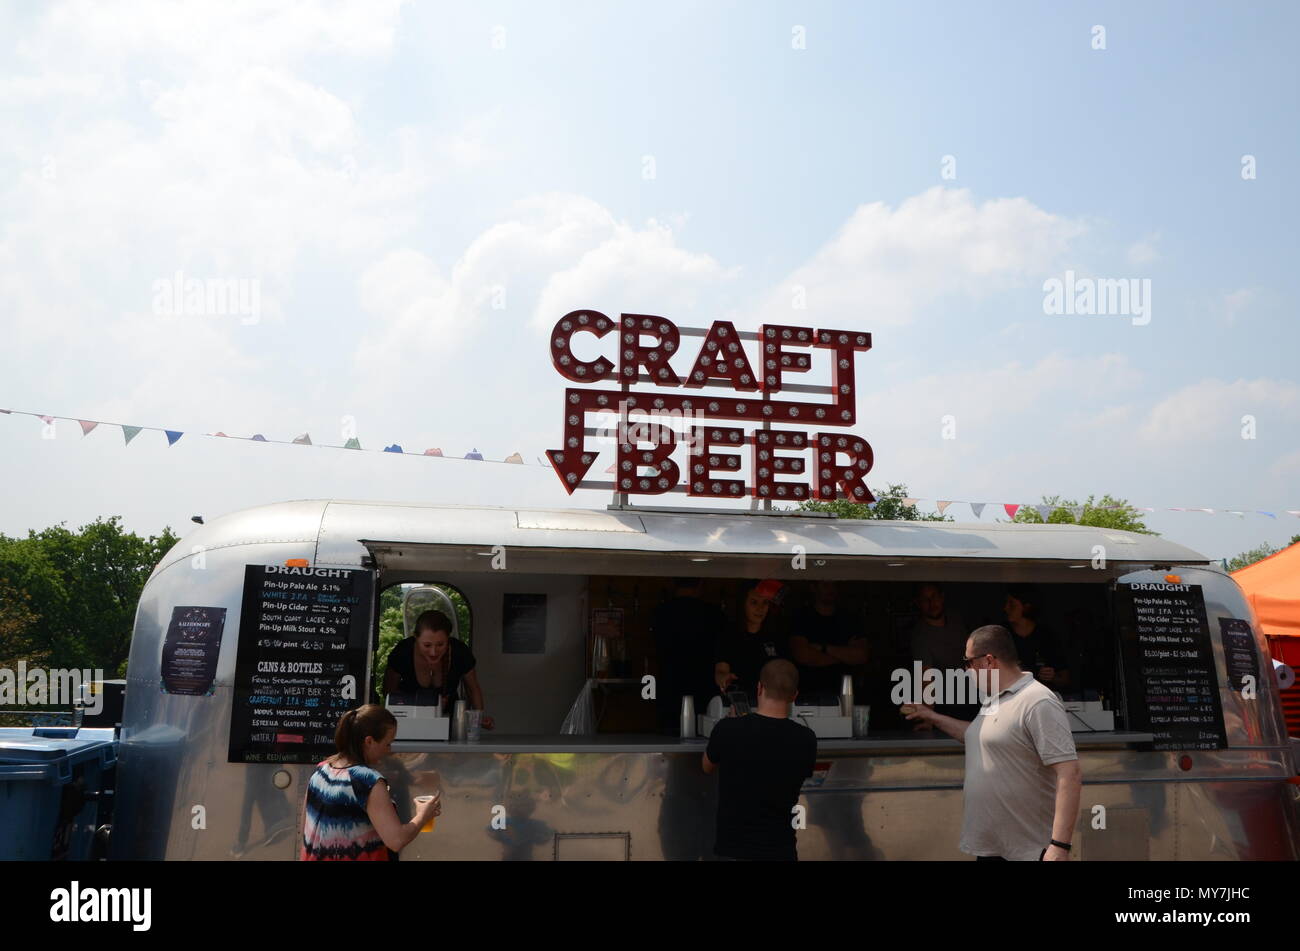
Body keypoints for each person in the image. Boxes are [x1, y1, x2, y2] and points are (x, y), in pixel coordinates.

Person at [904, 625, 1082, 861]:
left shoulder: (1037, 701)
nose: (966, 670)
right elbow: (977, 735)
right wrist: (931, 716)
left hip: (1027, 852)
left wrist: (1059, 847)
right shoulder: (994, 699)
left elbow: (1069, 773)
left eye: (967, 662)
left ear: (988, 661)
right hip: (992, 850)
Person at [702, 659, 818, 860]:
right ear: (794, 696)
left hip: (733, 852)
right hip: (781, 851)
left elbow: (707, 766)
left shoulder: (727, 729)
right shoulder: (806, 739)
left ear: (759, 688)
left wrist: (732, 725)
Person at [301, 704, 441, 861]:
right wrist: (423, 815)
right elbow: (396, 840)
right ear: (369, 741)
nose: (389, 750)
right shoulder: (368, 781)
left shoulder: (321, 770)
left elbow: (305, 828)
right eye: (387, 743)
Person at [384, 610, 494, 729]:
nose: (433, 652)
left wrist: (479, 716)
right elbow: (389, 693)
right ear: (415, 637)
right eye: (427, 645)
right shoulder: (403, 652)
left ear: (448, 639)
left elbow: (473, 689)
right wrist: (429, 704)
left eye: (440, 644)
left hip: (450, 722)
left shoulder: (460, 652)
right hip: (407, 722)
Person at [651, 578, 727, 735]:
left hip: (668, 692)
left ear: (674, 584)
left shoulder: (660, 613)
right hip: (704, 693)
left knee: (667, 744)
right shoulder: (713, 614)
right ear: (701, 585)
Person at [788, 580, 869, 698]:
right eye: (825, 585)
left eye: (834, 585)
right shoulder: (802, 617)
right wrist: (845, 656)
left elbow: (861, 655)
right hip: (807, 695)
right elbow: (802, 655)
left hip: (845, 695)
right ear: (813, 588)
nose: (831, 589)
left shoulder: (849, 619)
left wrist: (823, 648)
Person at [714, 579, 787, 701]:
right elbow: (720, 671)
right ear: (743, 604)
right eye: (754, 602)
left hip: (770, 704)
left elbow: (785, 673)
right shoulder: (729, 635)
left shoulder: (775, 636)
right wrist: (724, 678)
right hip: (737, 704)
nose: (760, 608)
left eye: (765, 603)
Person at [1003, 585, 1070, 691]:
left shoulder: (1047, 637)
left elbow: (1065, 679)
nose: (1006, 608)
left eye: (1012, 604)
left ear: (1027, 606)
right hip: (1008, 698)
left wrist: (1052, 677)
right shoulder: (1000, 635)